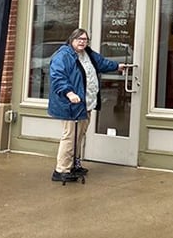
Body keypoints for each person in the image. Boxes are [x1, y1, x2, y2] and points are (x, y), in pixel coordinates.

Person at [48, 28, 126, 183]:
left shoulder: (87, 54)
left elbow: (102, 63)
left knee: (79, 135)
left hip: (86, 103)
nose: (82, 42)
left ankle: (74, 165)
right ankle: (61, 170)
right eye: (79, 39)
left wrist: (117, 67)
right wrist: (69, 93)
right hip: (71, 104)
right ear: (72, 40)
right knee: (70, 137)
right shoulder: (63, 56)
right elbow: (58, 77)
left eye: (85, 39)